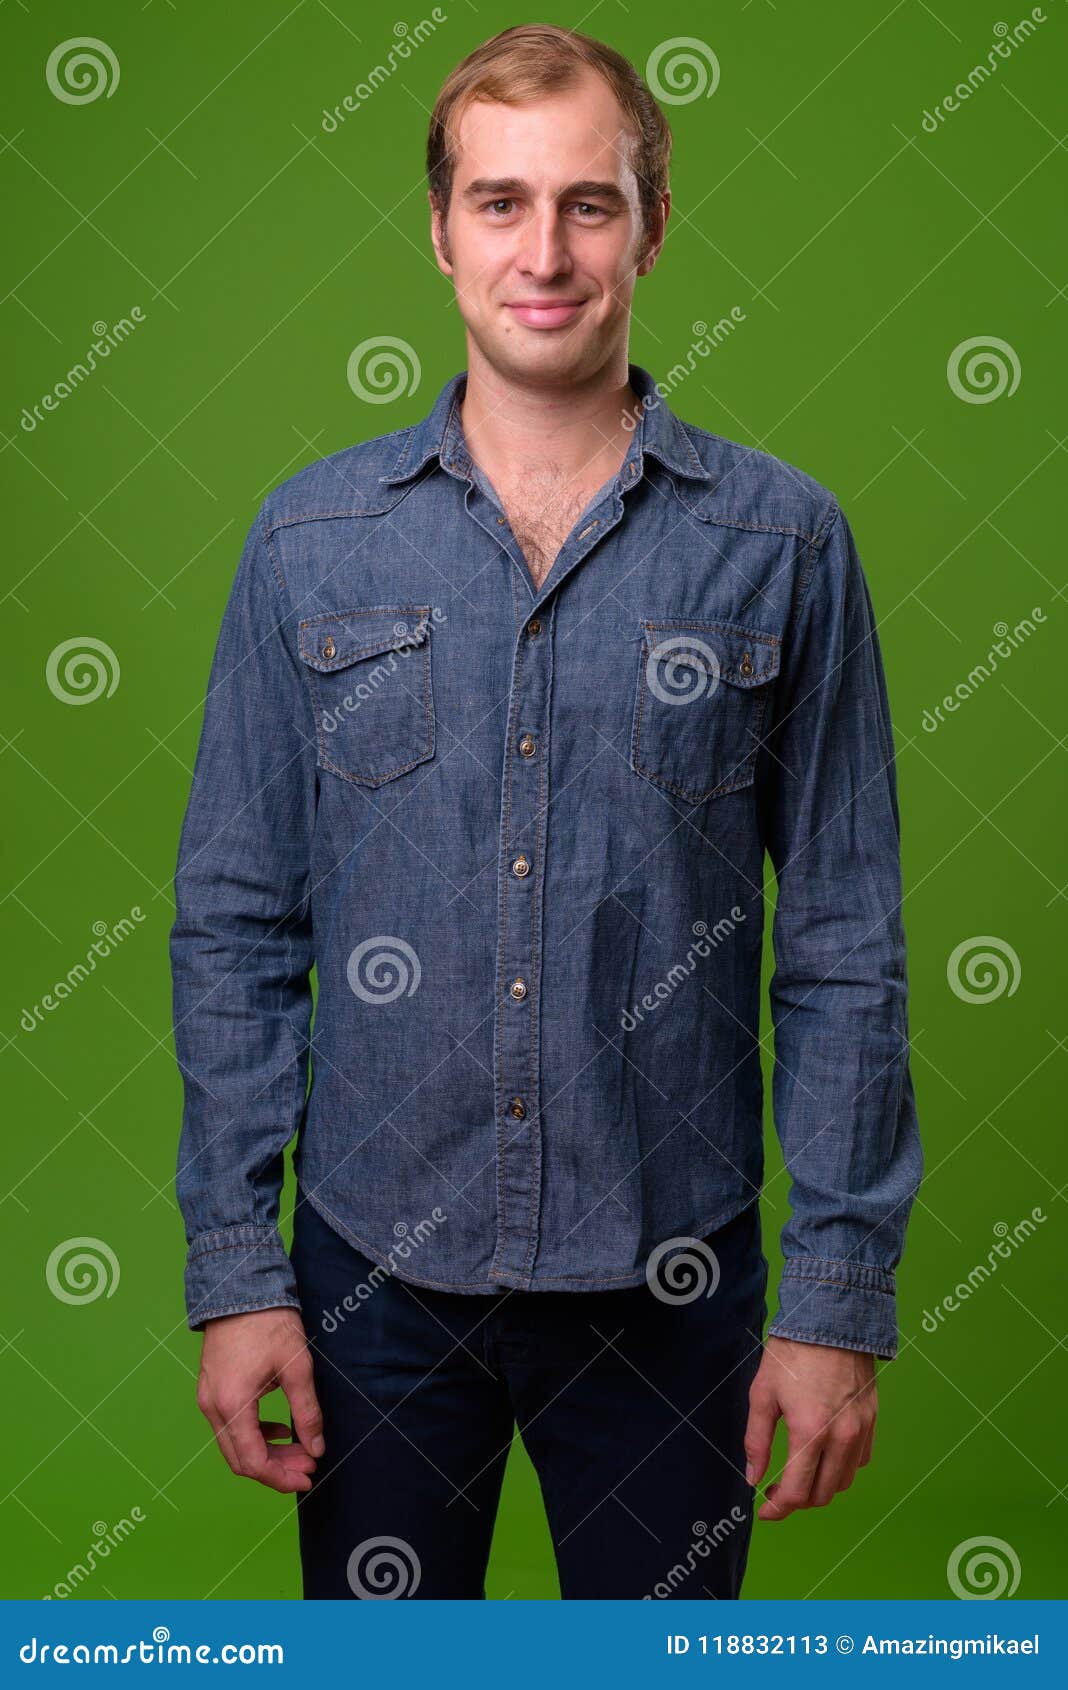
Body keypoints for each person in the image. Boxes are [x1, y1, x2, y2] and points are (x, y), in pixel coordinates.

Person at [170, 24, 922, 1600]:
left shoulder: (784, 544)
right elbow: (237, 924)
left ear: (653, 222)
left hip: (674, 1280)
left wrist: (838, 1298)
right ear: (440, 229)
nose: (546, 251)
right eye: (501, 203)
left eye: (589, 203)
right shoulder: (309, 541)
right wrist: (236, 1272)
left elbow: (846, 943)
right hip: (373, 1282)